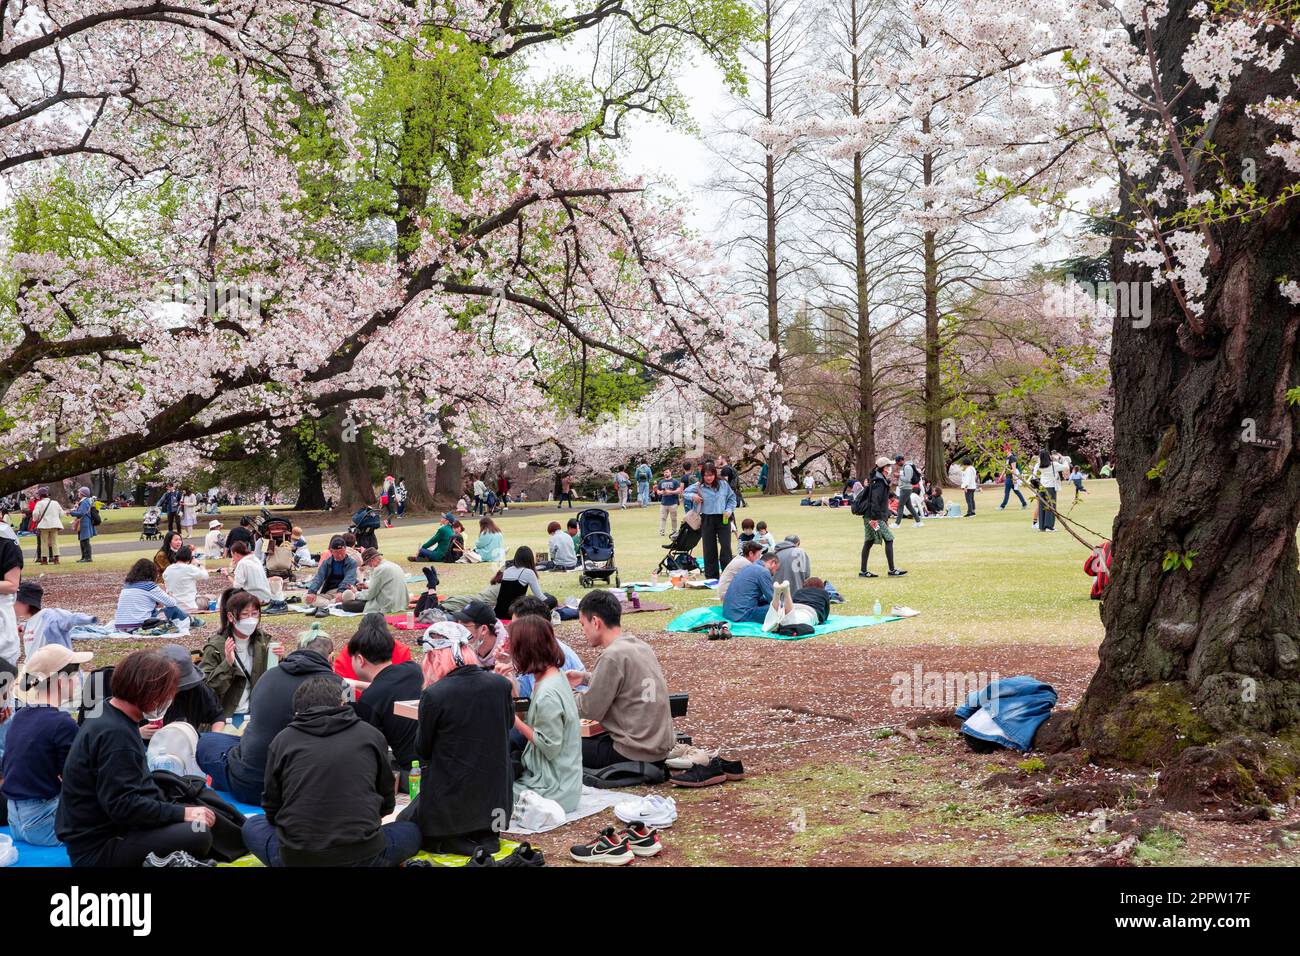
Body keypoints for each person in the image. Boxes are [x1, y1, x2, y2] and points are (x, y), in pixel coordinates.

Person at [56, 650, 217, 867]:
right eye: (167, 694)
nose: (169, 700)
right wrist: (181, 813)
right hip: (98, 848)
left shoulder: (107, 709)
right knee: (198, 833)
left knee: (198, 808)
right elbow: (123, 806)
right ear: (149, 693)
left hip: (102, 831)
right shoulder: (116, 736)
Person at [242, 676, 422, 867]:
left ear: (297, 711)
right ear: (342, 703)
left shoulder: (282, 740)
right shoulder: (371, 735)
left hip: (298, 859)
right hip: (366, 857)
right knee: (410, 829)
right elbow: (386, 803)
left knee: (252, 825)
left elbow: (272, 807)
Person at [401, 622, 513, 856]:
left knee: (404, 824)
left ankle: (450, 838)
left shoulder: (434, 695)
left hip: (451, 808)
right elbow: (508, 726)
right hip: (496, 806)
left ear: (434, 657)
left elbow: (422, 749)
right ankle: (482, 835)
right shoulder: (500, 685)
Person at [196, 635, 337, 806]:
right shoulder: (336, 687)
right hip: (303, 785)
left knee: (208, 742)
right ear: (330, 658)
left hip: (252, 779)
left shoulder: (269, 676)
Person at [569, 590, 672, 770]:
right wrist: (585, 678)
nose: (583, 631)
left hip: (632, 751)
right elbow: (630, 684)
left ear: (595, 622)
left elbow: (589, 709)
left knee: (560, 745)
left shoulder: (612, 655)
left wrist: (561, 693)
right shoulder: (640, 646)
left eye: (582, 624)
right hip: (657, 748)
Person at [2, 644, 89, 845]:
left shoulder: (20, 715)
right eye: (75, 674)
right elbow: (77, 781)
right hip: (42, 823)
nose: (78, 679)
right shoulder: (62, 723)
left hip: (14, 820)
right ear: (61, 681)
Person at [508, 615, 581, 812]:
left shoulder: (547, 692)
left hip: (555, 789)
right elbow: (534, 717)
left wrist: (513, 719)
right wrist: (511, 688)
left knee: (491, 791)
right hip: (564, 782)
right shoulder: (553, 674)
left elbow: (550, 746)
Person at [347, 615, 423, 772]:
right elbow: (389, 689)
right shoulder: (413, 670)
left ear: (360, 660)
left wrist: (348, 693)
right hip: (438, 757)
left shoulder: (369, 701)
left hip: (413, 770)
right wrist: (361, 685)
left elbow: (367, 747)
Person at [198, 588, 275, 724]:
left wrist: (277, 659)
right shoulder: (215, 647)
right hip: (226, 716)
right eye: (245, 614)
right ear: (230, 617)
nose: (251, 619)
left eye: (255, 614)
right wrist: (227, 663)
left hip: (255, 713)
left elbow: (270, 679)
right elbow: (207, 690)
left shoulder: (262, 640)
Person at [686, 461, 737, 579]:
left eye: (711, 475)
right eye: (706, 475)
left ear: (715, 474)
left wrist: (729, 510)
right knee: (709, 547)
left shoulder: (723, 484)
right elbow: (685, 492)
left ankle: (727, 574)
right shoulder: (699, 486)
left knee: (725, 546)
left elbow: (732, 498)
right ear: (702, 476)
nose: (708, 478)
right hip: (707, 518)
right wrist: (693, 496)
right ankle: (711, 576)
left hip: (723, 517)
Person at [156, 644, 224, 733]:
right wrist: (140, 732)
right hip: (151, 743)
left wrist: (215, 735)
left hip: (189, 741)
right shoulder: (145, 690)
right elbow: (132, 723)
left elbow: (217, 716)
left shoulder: (198, 688)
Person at [14, 581, 95, 656]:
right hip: (34, 668)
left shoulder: (50, 617)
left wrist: (90, 619)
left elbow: (70, 618)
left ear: (26, 603)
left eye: (15, 602)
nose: (13, 606)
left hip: (54, 667)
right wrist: (21, 628)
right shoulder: (29, 622)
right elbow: (34, 628)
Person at [113, 559, 192, 631]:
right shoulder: (149, 586)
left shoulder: (126, 586)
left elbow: (142, 605)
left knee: (155, 611)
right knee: (173, 609)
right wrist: (167, 594)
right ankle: (190, 620)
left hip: (121, 625)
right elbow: (171, 603)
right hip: (140, 625)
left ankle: (190, 620)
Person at [861, 457, 906, 577]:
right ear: (884, 468)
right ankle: (892, 570)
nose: (890, 468)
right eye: (888, 466)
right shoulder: (879, 481)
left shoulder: (878, 479)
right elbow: (876, 501)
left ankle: (863, 571)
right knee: (889, 539)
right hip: (874, 517)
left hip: (872, 516)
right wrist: (876, 519)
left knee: (869, 541)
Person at [339, 547, 408, 615]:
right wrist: (367, 587)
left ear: (371, 560)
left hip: (387, 605)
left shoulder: (379, 569)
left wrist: (356, 593)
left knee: (346, 604)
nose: (369, 566)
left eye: (368, 563)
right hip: (401, 603)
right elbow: (386, 586)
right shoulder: (394, 565)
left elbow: (370, 595)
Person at [493, 548, 556, 617]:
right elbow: (540, 596)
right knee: (552, 600)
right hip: (516, 613)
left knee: (545, 595)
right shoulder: (528, 572)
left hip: (499, 612)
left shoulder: (507, 570)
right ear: (530, 559)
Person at [722, 550, 781, 623]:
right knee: (779, 610)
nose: (775, 573)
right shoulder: (763, 572)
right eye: (776, 569)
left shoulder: (748, 567)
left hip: (728, 613)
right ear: (773, 563)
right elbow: (773, 599)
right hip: (742, 615)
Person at [303, 535, 358, 608]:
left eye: (342, 552)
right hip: (329, 593)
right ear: (331, 551)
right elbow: (319, 578)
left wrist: (340, 591)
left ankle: (328, 605)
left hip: (344, 591)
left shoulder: (352, 563)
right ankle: (333, 604)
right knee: (306, 597)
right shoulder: (327, 563)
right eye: (336, 552)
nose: (340, 555)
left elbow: (349, 579)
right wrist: (312, 592)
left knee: (349, 594)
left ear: (345, 549)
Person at [162, 545, 208, 612]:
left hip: (172, 605)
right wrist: (200, 565)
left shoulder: (168, 569)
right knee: (206, 599)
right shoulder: (189, 568)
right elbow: (205, 575)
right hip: (189, 606)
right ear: (189, 557)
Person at [230, 540, 273, 605]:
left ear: (235, 554)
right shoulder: (255, 559)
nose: (233, 559)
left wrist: (229, 574)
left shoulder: (242, 563)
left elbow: (237, 587)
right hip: (266, 596)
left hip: (254, 598)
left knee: (225, 597)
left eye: (232, 556)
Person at [31, 488, 65, 565]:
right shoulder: (55, 503)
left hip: (44, 525)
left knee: (44, 542)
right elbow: (62, 513)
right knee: (55, 542)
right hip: (54, 524)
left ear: (40, 495)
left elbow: (35, 514)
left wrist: (35, 520)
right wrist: (56, 518)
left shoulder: (39, 503)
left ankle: (44, 560)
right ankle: (56, 559)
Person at [1030, 449, 1058, 532]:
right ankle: (1048, 526)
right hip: (1049, 486)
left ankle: (1041, 526)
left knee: (1041, 506)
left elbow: (1034, 476)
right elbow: (1065, 466)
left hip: (1040, 487)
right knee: (1049, 506)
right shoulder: (1052, 464)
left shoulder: (1038, 465)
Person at [894, 456, 925, 527]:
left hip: (906, 489)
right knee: (909, 506)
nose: (897, 464)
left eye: (897, 462)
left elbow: (908, 479)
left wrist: (899, 476)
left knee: (900, 505)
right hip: (904, 488)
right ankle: (918, 521)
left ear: (901, 461)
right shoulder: (904, 467)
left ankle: (897, 523)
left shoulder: (907, 467)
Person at [70, 486, 97, 563]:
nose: (78, 493)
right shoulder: (85, 501)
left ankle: (88, 558)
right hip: (83, 522)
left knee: (85, 540)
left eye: (79, 492)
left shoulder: (85, 502)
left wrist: (71, 512)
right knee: (82, 540)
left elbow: (81, 513)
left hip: (84, 522)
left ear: (82, 494)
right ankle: (84, 557)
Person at [656, 467, 682, 536]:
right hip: (663, 503)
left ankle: (674, 531)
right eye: (664, 472)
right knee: (662, 518)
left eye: (667, 472)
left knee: (674, 518)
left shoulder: (675, 481)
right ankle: (662, 531)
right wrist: (662, 492)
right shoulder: (661, 482)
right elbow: (658, 491)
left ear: (670, 472)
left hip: (673, 503)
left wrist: (670, 491)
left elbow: (679, 490)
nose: (665, 473)